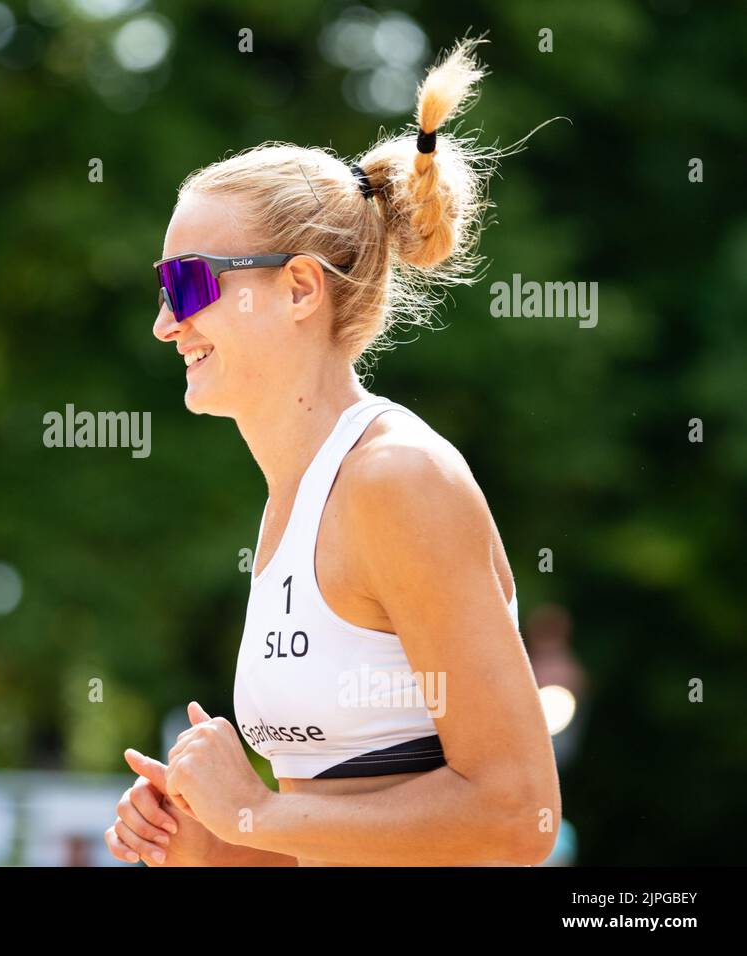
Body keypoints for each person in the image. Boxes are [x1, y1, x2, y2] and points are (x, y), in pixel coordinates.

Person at [105, 38, 560, 866]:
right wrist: (204, 841)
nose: (166, 323)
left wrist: (251, 815)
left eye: (191, 285)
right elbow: (337, 843)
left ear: (301, 289)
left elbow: (516, 818)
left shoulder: (396, 478)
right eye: (164, 288)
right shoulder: (296, 499)